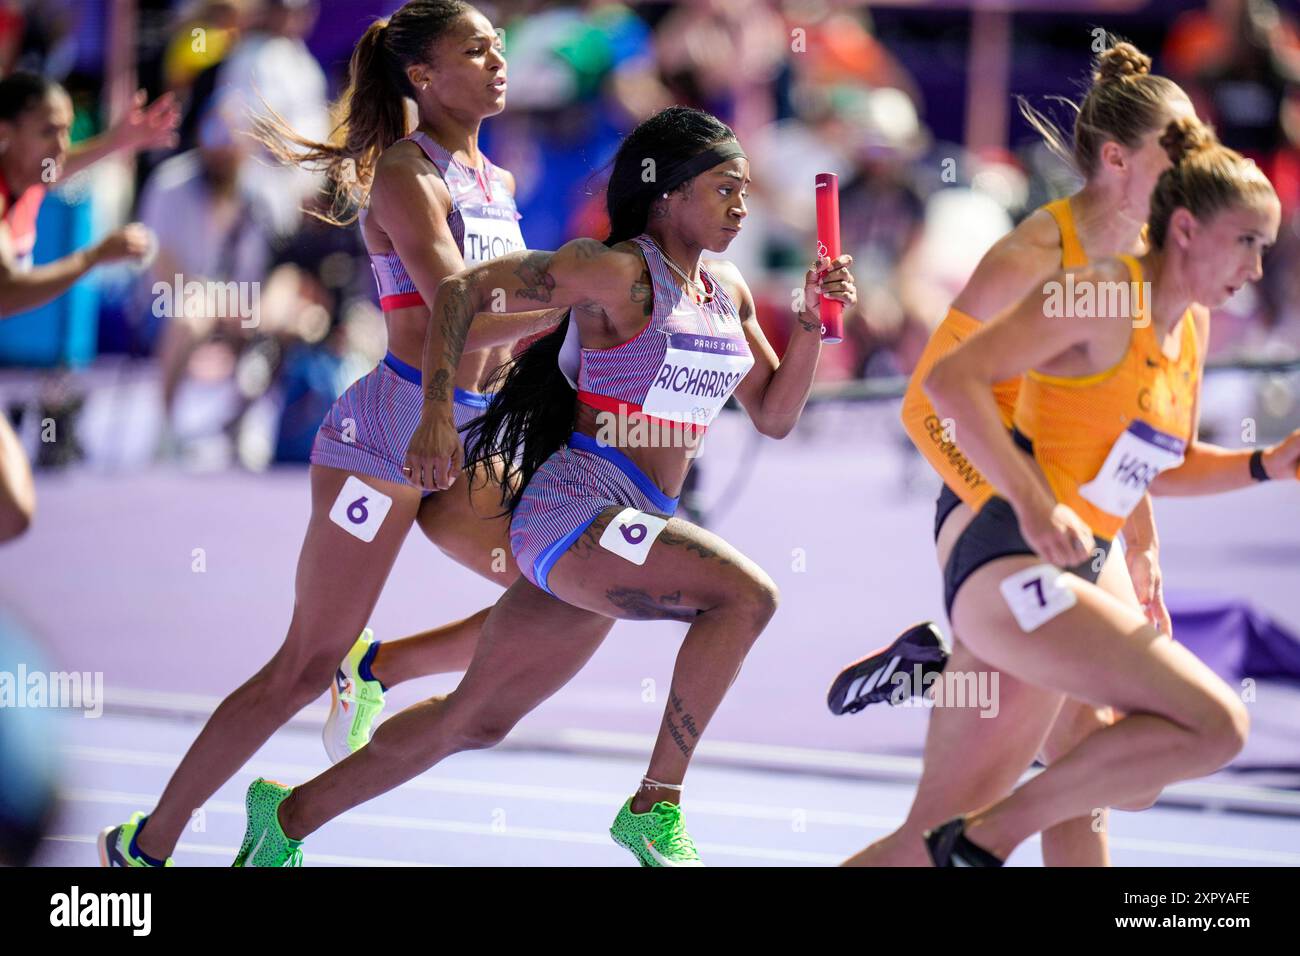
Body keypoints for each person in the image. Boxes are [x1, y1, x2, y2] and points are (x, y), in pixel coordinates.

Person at [225, 104, 857, 867]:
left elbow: (775, 416)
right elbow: (456, 296)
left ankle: (283, 818)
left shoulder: (727, 289)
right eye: (725, 188)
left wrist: (816, 328)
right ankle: (656, 807)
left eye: (747, 189)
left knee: (475, 721)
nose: (742, 205)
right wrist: (433, 415)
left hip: (635, 522)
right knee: (748, 596)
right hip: (576, 513)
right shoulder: (616, 272)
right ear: (668, 194)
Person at [98, 0, 563, 867]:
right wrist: (579, 298)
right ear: (423, 74)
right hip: (389, 435)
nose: (501, 60)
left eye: (501, 45)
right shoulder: (403, 171)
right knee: (301, 666)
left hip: (467, 434)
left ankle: (379, 667)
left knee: (566, 586)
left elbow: (516, 324)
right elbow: (456, 309)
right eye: (478, 48)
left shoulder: (493, 183)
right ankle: (146, 846)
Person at [834, 42, 1197, 866]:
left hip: (1083, 516)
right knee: (1061, 782)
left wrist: (1143, 545)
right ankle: (962, 656)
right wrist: (1015, 507)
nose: (1200, 161)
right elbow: (924, 403)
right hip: (998, 513)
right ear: (1117, 158)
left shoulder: (1148, 268)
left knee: (1107, 777)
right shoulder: (1037, 254)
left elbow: (1117, 420)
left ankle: (950, 666)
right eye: (1182, 144)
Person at [919, 116, 1298, 865]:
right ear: (1184, 223)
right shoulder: (1089, 285)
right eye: (1248, 242)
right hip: (1012, 542)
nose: (1257, 270)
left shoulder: (1184, 327)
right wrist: (1028, 500)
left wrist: (1266, 464)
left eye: (1267, 247)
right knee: (1215, 724)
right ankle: (985, 834)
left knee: (1116, 778)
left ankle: (964, 777)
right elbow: (943, 384)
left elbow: (1151, 461)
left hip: (1084, 548)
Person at [0, 72, 177, 543]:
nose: (60, 144)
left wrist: (119, 141)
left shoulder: (28, 176)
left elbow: (56, 170)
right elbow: (5, 294)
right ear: (5, 133)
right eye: (47, 132)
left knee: (11, 514)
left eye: (65, 129)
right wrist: (92, 258)